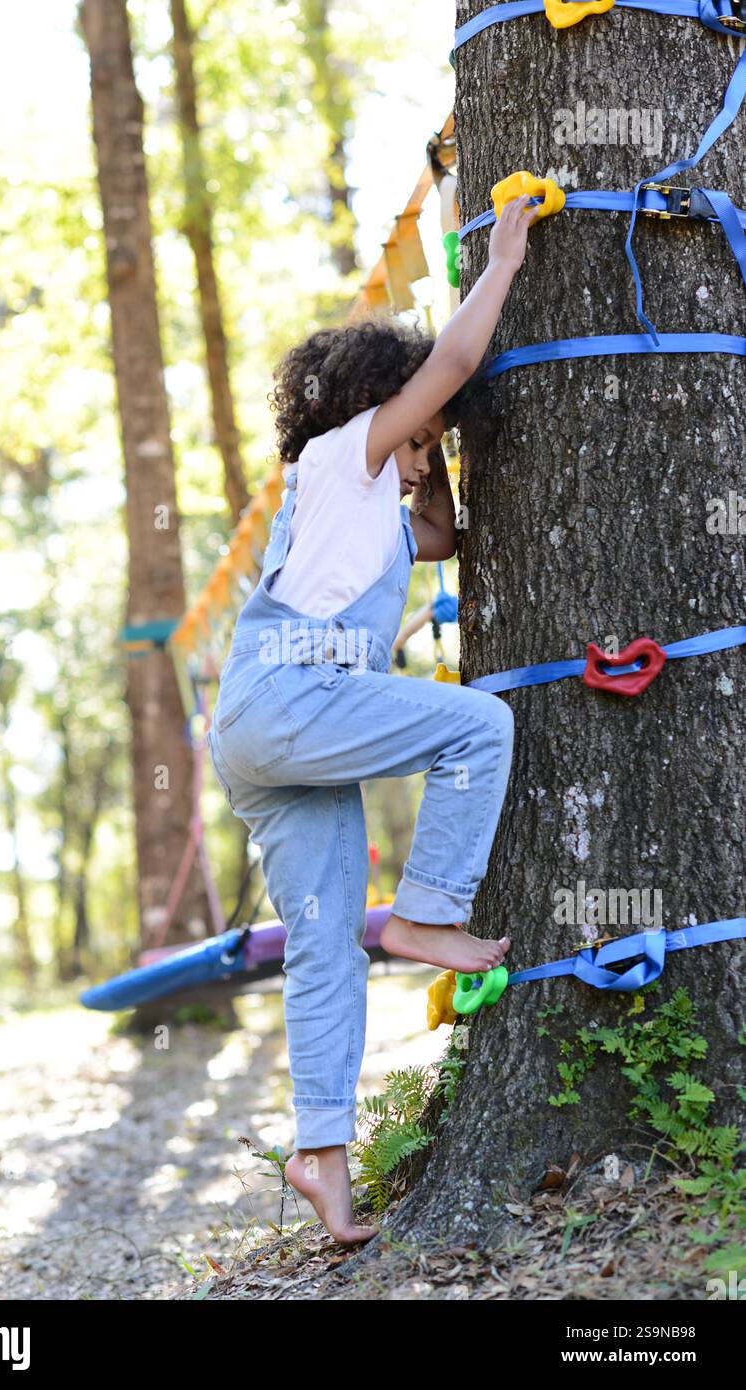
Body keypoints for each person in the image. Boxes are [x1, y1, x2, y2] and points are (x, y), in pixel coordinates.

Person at [207, 195, 537, 1244]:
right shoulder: (340, 453)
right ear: (375, 407)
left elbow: (437, 531)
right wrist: (505, 258)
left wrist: (430, 459)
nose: (425, 444)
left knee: (320, 949)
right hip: (291, 693)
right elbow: (445, 371)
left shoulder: (371, 512)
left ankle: (322, 1163)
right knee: (478, 727)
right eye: (418, 428)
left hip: (272, 736)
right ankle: (425, 913)